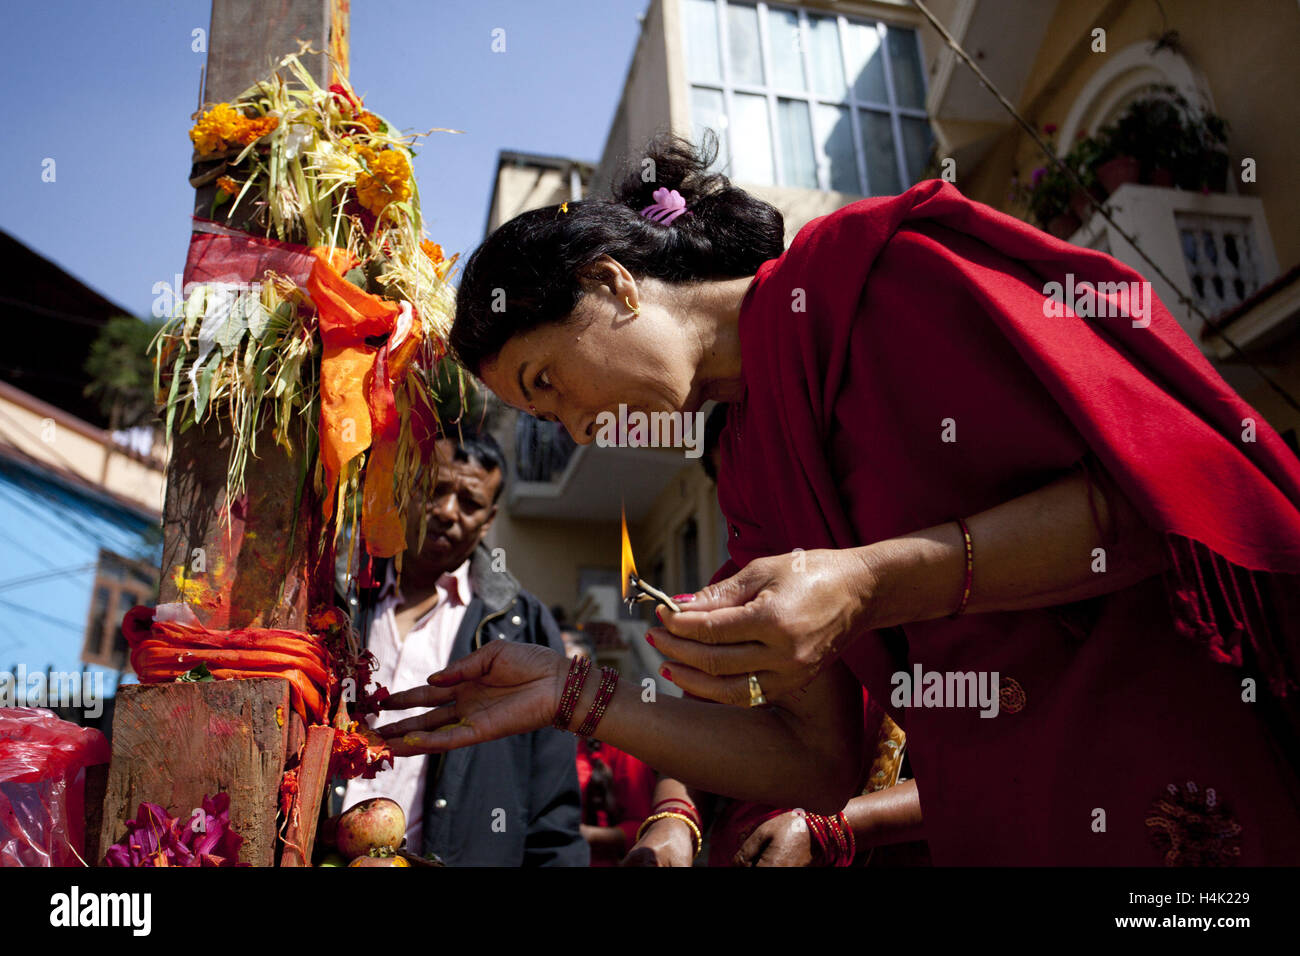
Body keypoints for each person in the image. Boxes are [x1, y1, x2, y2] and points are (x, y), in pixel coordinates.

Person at [380, 133, 1300, 865]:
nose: (576, 427)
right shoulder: (744, 462)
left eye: (551, 381)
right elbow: (813, 761)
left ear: (611, 283)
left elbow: (1166, 502)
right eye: (545, 417)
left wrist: (870, 581)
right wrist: (574, 692)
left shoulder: (883, 283)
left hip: (1162, 770)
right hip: (1006, 817)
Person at [344, 433, 588, 866]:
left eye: (469, 502)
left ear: (489, 519)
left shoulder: (523, 628)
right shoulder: (338, 595)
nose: (447, 512)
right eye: (434, 490)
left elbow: (553, 805)